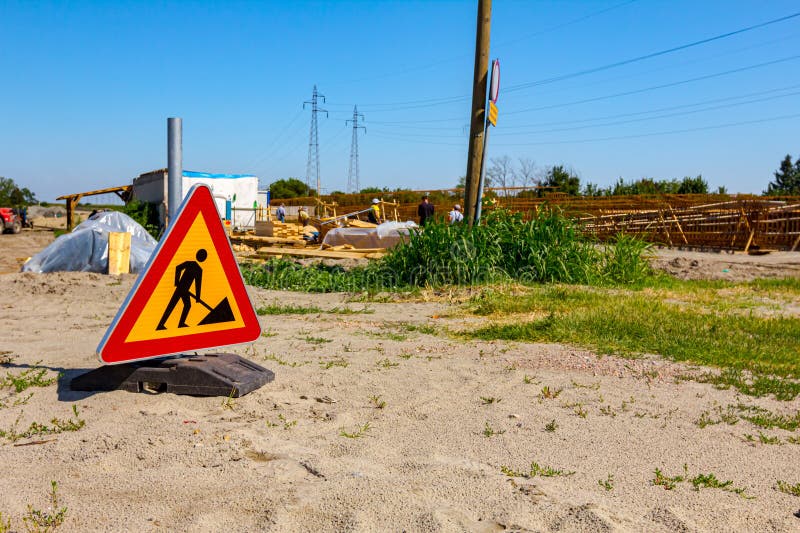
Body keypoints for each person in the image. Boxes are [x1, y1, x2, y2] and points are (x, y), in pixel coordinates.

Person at [156, 249, 207, 330]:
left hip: (183, 289)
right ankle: (165, 324)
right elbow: (197, 284)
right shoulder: (198, 269)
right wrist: (197, 297)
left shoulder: (191, 264)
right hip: (182, 289)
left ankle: (174, 324)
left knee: (179, 305)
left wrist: (177, 282)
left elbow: (197, 284)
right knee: (176, 305)